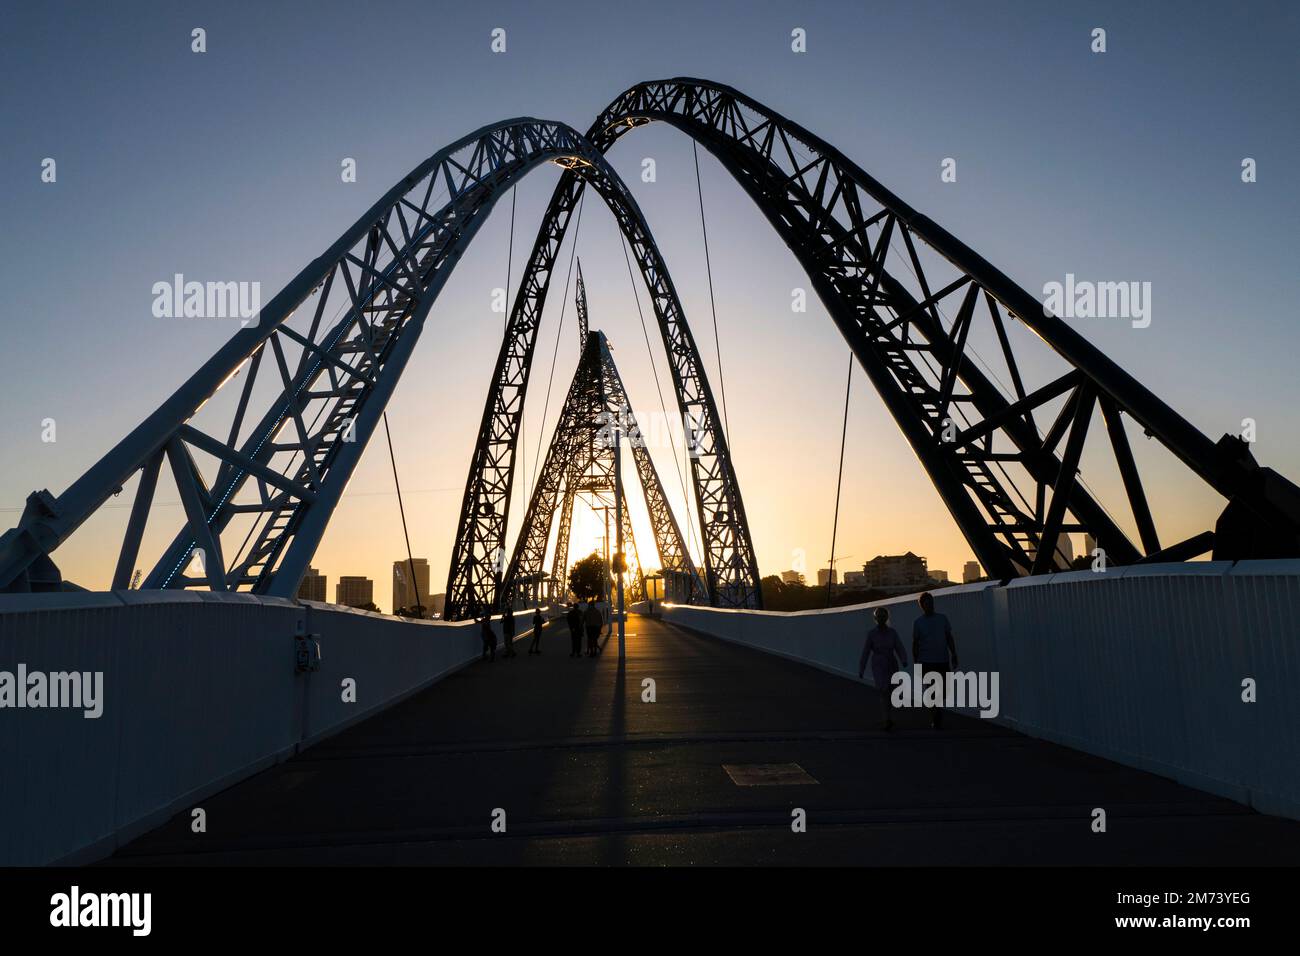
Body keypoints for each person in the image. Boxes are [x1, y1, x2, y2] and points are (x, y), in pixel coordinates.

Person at [911, 591, 957, 729]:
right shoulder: (918, 623)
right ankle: (935, 717)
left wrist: (954, 654)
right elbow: (915, 643)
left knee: (945, 690)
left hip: (942, 660)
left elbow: (949, 637)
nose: (929, 605)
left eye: (931, 603)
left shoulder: (942, 619)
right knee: (931, 690)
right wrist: (916, 661)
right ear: (922, 606)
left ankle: (937, 710)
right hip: (926, 661)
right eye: (926, 603)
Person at [859, 606, 908, 731]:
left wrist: (904, 659)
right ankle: (887, 719)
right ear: (876, 618)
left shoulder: (892, 633)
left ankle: (888, 715)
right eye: (879, 616)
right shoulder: (872, 634)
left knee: (890, 690)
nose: (881, 619)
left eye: (883, 616)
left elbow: (899, 646)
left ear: (886, 618)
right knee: (883, 690)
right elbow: (865, 652)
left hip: (891, 662)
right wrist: (861, 668)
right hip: (879, 664)